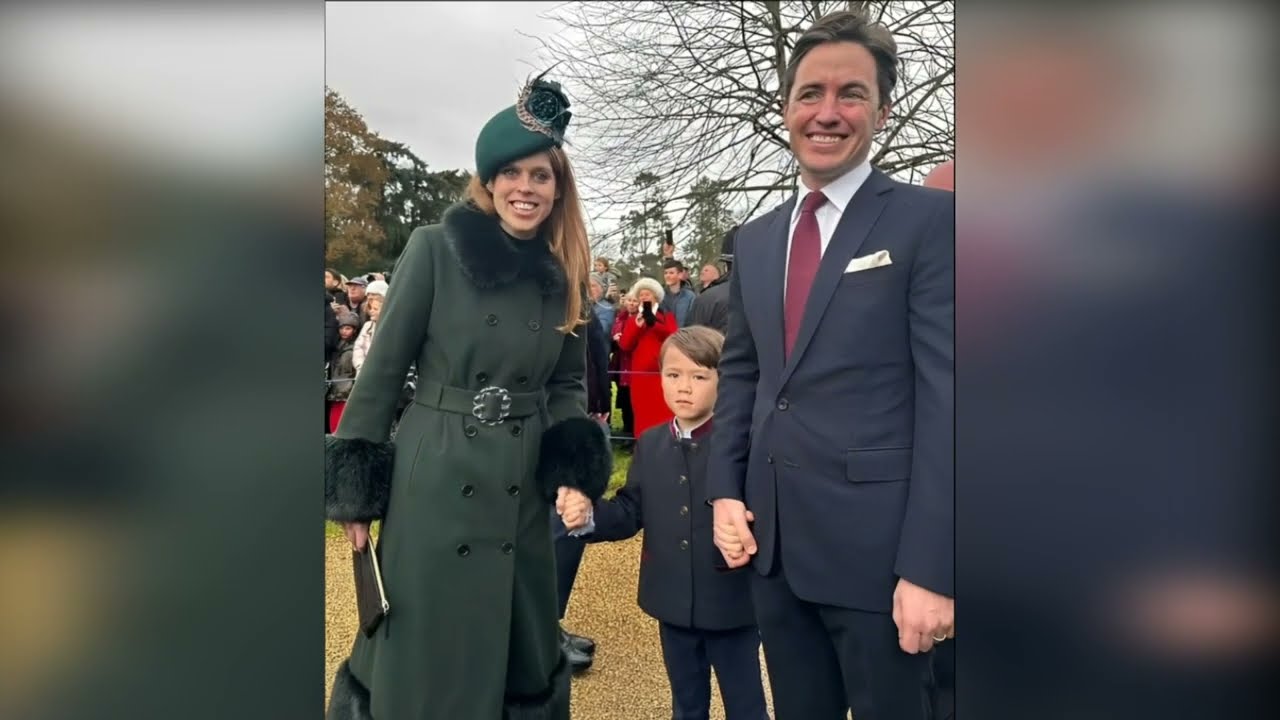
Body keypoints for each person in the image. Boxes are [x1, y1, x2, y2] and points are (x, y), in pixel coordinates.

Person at [324, 72, 612, 720]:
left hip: (521, 492)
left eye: (541, 175)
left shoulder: (567, 272)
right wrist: (355, 492)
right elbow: (380, 375)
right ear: (487, 181)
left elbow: (567, 384)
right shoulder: (433, 249)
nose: (525, 188)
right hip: (435, 483)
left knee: (518, 658)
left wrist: (572, 473)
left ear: (558, 187)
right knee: (424, 661)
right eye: (510, 174)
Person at [705, 10, 954, 720]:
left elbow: (950, 397)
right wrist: (726, 492)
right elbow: (746, 379)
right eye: (810, 93)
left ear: (881, 110)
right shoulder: (753, 242)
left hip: (883, 563)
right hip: (774, 554)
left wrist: (934, 568)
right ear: (787, 107)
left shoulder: (930, 224)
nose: (827, 111)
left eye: (851, 94)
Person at [563, 326, 769, 720]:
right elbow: (630, 511)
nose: (683, 387)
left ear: (723, 382)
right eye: (673, 375)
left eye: (699, 376)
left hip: (731, 605)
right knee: (686, 706)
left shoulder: (745, 447)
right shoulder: (652, 442)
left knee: (746, 707)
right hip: (671, 604)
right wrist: (589, 514)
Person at [549, 301, 612, 674]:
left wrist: (598, 402)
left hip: (562, 418)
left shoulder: (571, 295)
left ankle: (546, 622)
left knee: (566, 528)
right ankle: (536, 632)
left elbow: (589, 360)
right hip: (520, 426)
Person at [619, 277, 678, 437]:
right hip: (640, 377)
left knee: (663, 413)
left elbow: (673, 338)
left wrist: (654, 324)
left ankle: (666, 443)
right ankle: (644, 446)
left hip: (662, 374)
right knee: (643, 413)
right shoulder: (633, 320)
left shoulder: (666, 317)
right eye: (641, 295)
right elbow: (625, 345)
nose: (644, 297)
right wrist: (638, 326)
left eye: (647, 294)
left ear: (656, 297)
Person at [686, 225, 738, 334]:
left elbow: (693, 342)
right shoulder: (776, 293)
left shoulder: (706, 298)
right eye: (703, 270)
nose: (703, 272)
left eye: (707, 270)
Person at [659, 259, 697, 327]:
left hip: (683, 335)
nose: (667, 276)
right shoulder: (660, 296)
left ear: (680, 275)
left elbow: (693, 320)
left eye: (671, 273)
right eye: (665, 273)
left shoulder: (690, 296)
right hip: (664, 336)